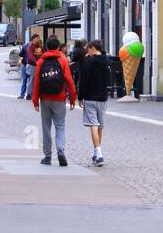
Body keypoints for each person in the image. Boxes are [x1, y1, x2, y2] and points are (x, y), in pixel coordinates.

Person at [32, 36, 77, 166]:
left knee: (46, 127)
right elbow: (69, 81)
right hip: (59, 98)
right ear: (58, 47)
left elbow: (37, 83)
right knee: (60, 126)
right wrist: (73, 98)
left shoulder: (41, 61)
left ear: (46, 47)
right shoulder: (62, 60)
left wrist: (35, 100)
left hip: (45, 98)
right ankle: (61, 151)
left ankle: (47, 156)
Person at [77, 40, 112, 166]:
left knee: (93, 125)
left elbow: (83, 80)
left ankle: (99, 154)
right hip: (102, 97)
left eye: (88, 49)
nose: (87, 51)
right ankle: (96, 153)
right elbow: (109, 79)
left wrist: (80, 96)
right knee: (99, 126)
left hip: (90, 97)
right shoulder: (106, 61)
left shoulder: (88, 62)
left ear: (92, 48)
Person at [19, 34, 43, 100]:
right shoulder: (29, 46)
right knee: (29, 80)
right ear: (33, 39)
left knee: (36, 80)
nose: (38, 39)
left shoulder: (40, 46)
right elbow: (28, 56)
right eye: (37, 38)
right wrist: (20, 63)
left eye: (39, 38)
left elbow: (43, 54)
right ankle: (27, 94)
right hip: (30, 65)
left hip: (38, 65)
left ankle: (35, 93)